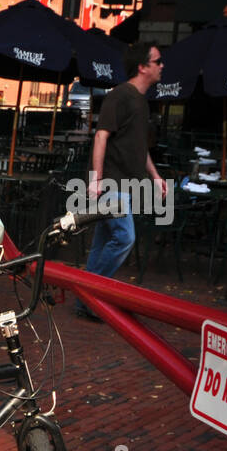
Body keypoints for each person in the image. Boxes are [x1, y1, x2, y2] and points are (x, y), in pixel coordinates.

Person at [77, 40, 166, 321]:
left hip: (127, 184)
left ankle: (85, 299)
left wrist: (155, 176)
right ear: (142, 67)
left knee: (105, 241)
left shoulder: (141, 101)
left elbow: (140, 147)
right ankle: (90, 294)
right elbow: (101, 136)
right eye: (158, 61)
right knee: (124, 238)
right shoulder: (120, 96)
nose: (162, 66)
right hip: (113, 184)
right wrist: (96, 179)